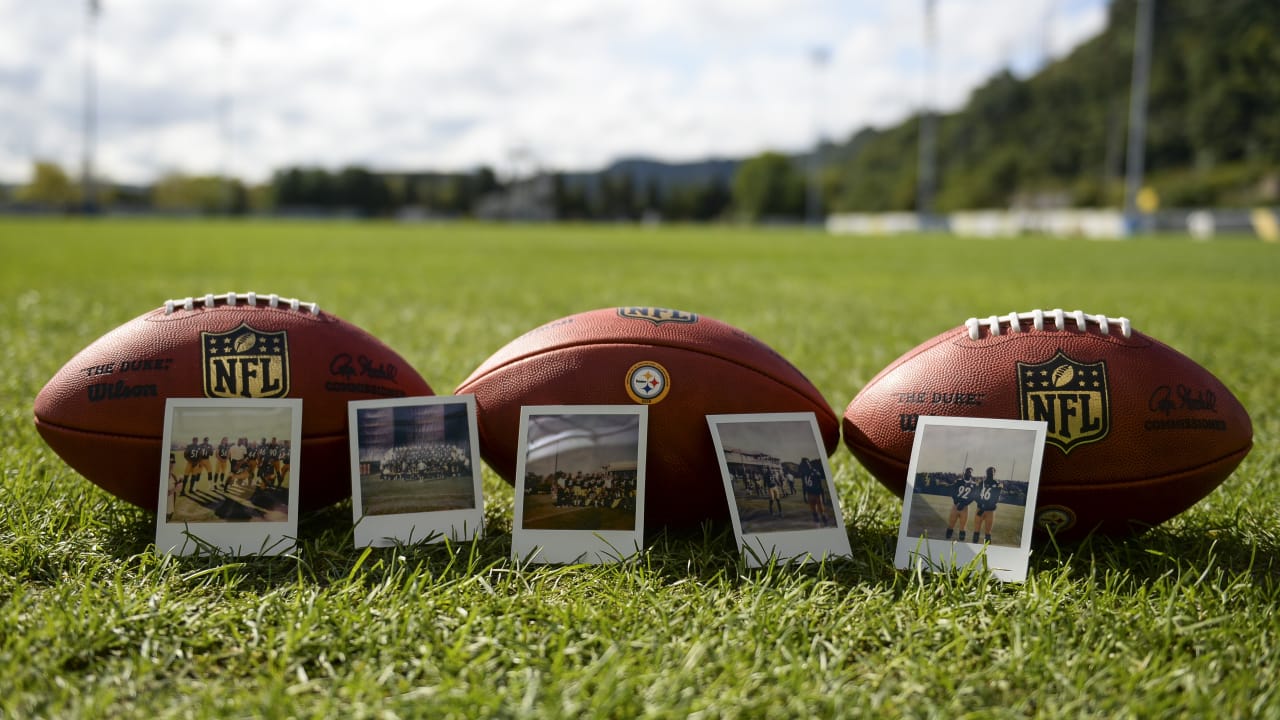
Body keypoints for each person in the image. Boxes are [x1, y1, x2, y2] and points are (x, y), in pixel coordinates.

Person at [970, 466, 1002, 544]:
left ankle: (987, 550)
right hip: (980, 508)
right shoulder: (981, 483)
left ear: (994, 473)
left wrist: (984, 507)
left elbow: (995, 499)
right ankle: (975, 545)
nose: (991, 473)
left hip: (989, 510)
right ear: (986, 473)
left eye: (992, 472)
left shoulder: (997, 484)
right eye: (989, 472)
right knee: (976, 531)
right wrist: (981, 505)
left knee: (988, 533)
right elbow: (975, 496)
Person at [945, 467, 979, 541]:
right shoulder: (958, 481)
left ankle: (961, 542)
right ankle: (947, 539)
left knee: (963, 526)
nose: (968, 473)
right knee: (951, 525)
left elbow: (973, 497)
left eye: (970, 472)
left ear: (972, 474)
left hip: (965, 507)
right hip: (955, 506)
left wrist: (963, 504)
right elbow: (953, 491)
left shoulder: (973, 484)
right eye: (967, 472)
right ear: (965, 473)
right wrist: (956, 501)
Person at [800, 458, 830, 526]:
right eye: (804, 464)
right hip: (809, 494)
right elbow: (804, 485)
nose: (806, 466)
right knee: (813, 510)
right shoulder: (804, 474)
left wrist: (823, 496)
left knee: (821, 510)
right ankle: (817, 524)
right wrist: (804, 496)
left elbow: (820, 486)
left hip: (817, 494)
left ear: (809, 463)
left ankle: (826, 524)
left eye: (806, 463)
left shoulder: (815, 472)